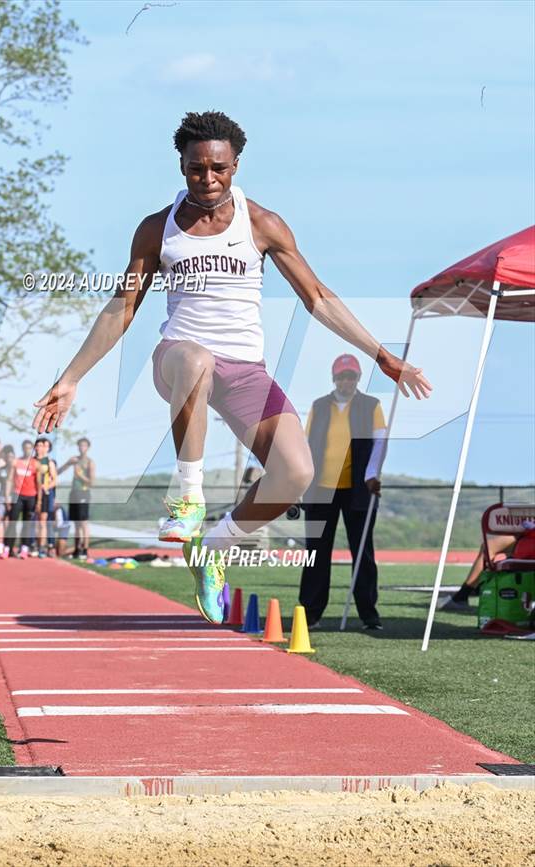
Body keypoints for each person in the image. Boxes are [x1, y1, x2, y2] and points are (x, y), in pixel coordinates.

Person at [33, 110, 431, 624]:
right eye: (197, 169)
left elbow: (317, 297)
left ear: (235, 165)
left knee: (296, 473)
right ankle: (188, 498)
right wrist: (70, 378)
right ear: (182, 167)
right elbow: (121, 307)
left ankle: (212, 548)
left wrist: (382, 354)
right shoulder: (158, 229)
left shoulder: (262, 223)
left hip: (245, 372)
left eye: (218, 168)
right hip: (179, 360)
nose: (208, 179)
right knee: (196, 357)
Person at [299, 354, 387, 630]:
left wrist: (372, 474)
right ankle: (310, 612)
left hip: (358, 490)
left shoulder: (372, 405)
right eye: (342, 376)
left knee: (362, 552)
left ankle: (368, 613)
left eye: (351, 376)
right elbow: (305, 444)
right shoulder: (319, 406)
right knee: (316, 552)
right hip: (320, 490)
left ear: (358, 379)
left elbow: (380, 442)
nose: (346, 381)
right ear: (334, 378)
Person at [58, 437, 95, 560]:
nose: (82, 448)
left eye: (84, 446)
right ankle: (77, 549)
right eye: (80, 445)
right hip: (74, 493)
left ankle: (85, 549)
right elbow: (58, 472)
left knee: (83, 523)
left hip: (83, 493)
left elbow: (91, 482)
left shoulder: (90, 462)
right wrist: (68, 463)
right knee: (76, 523)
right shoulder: (74, 460)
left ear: (88, 448)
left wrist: (80, 476)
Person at [4, 439, 39, 557]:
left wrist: (38, 501)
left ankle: (24, 548)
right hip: (17, 495)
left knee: (27, 523)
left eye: (30, 448)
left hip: (30, 496)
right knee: (12, 521)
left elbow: (38, 483)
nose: (27, 450)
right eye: (25, 448)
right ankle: (8, 548)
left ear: (32, 449)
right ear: (22, 448)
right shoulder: (16, 462)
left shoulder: (35, 464)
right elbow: (9, 480)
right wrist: (7, 496)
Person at [35, 437, 57, 558]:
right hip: (31, 494)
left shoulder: (49, 462)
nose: (41, 448)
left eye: (44, 446)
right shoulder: (32, 461)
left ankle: (42, 547)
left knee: (43, 521)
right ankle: (30, 545)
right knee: (33, 521)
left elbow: (54, 480)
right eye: (39, 446)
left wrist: (46, 487)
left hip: (44, 495)